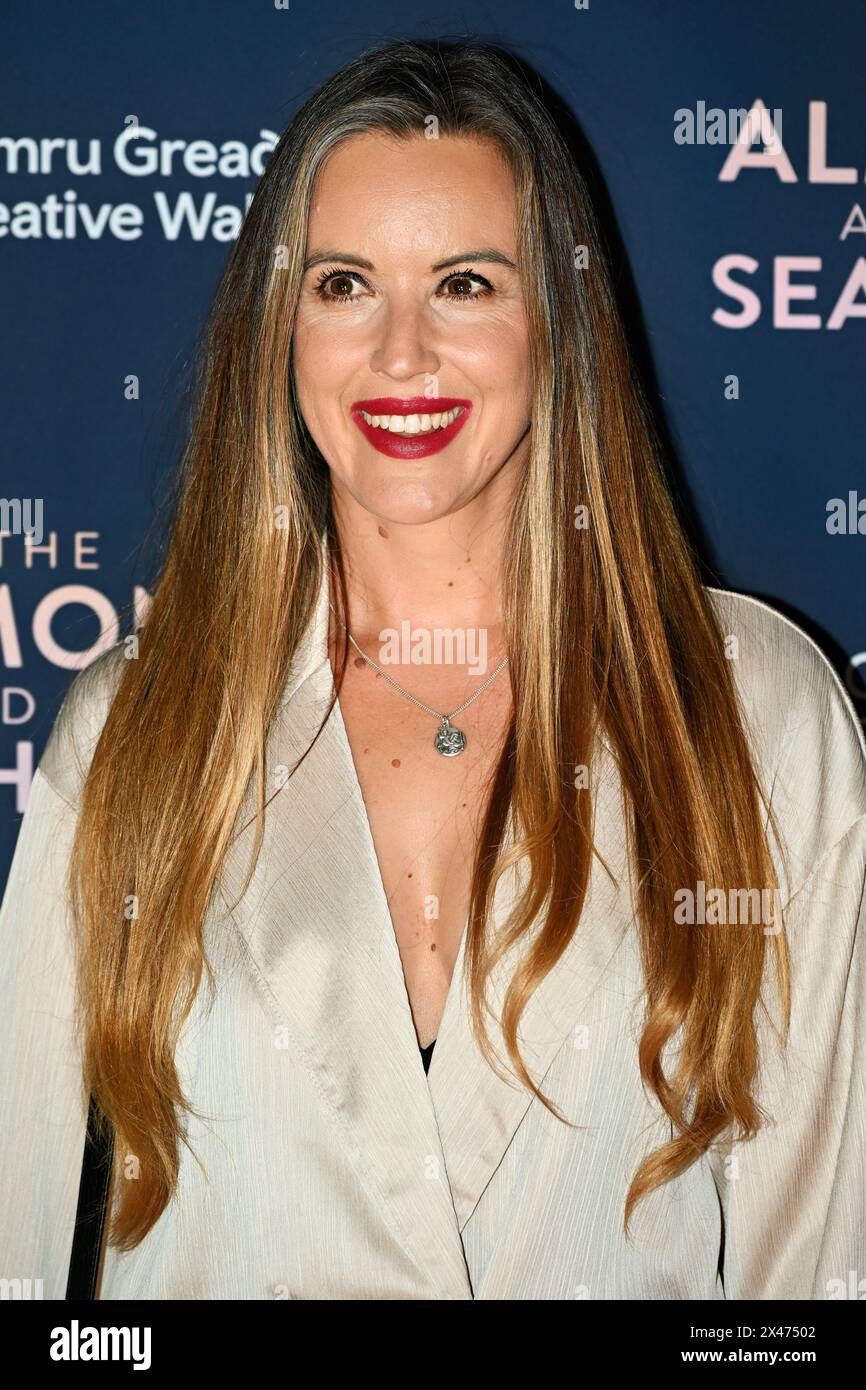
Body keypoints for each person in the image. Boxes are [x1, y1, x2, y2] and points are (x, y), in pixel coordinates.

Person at [1, 38, 865, 1302]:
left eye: (464, 283)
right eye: (343, 283)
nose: (401, 354)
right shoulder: (133, 726)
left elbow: (813, 1290)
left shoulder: (751, 711)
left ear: (556, 321)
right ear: (278, 327)